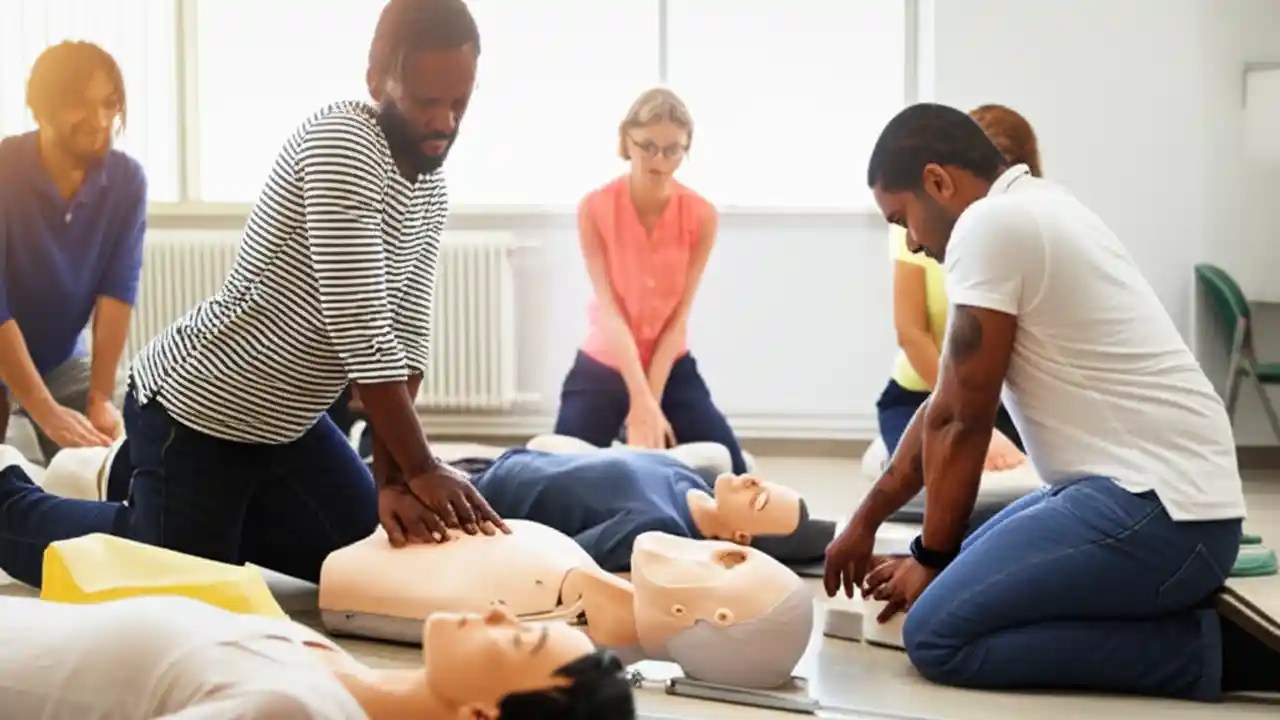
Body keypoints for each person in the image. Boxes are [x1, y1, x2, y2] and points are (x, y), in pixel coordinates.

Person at [0, 0, 507, 592]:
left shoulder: (429, 184)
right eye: (427, 102)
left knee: (355, 553)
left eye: (459, 104)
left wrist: (394, 481)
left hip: (286, 424)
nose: (444, 122)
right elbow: (362, 327)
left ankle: (159, 495)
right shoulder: (344, 141)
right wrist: (421, 466)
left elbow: (407, 335)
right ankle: (21, 500)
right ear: (377, 78)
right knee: (180, 577)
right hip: (200, 409)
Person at [823, 103, 1270, 702]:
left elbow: (964, 419)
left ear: (938, 182)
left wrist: (930, 555)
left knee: (937, 636)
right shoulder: (1035, 207)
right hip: (1149, 502)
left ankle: (1217, 655)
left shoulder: (991, 227)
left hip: (1162, 516)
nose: (911, 240)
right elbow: (943, 405)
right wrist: (865, 522)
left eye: (903, 218)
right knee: (951, 582)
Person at [0, 594, 634, 719]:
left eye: (518, 639)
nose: (499, 613)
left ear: (478, 715)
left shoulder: (300, 709)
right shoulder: (335, 668)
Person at [554, 87, 747, 474]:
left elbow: (680, 317)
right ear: (626, 139)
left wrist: (650, 401)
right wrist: (638, 402)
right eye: (648, 147)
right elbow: (609, 312)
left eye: (674, 149)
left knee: (733, 471)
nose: (660, 160)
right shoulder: (594, 208)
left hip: (670, 364)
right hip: (603, 362)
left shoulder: (702, 215)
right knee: (560, 471)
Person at [876, 103, 1044, 471]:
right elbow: (911, 332)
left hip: (1002, 401)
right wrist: (970, 419)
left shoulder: (1029, 227)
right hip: (922, 393)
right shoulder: (918, 230)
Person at [0, 41, 144, 462]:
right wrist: (45, 411)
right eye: (77, 105)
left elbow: (118, 293)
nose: (99, 121)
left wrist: (99, 398)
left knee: (113, 455)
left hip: (61, 357)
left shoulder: (127, 181)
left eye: (109, 104)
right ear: (40, 108)